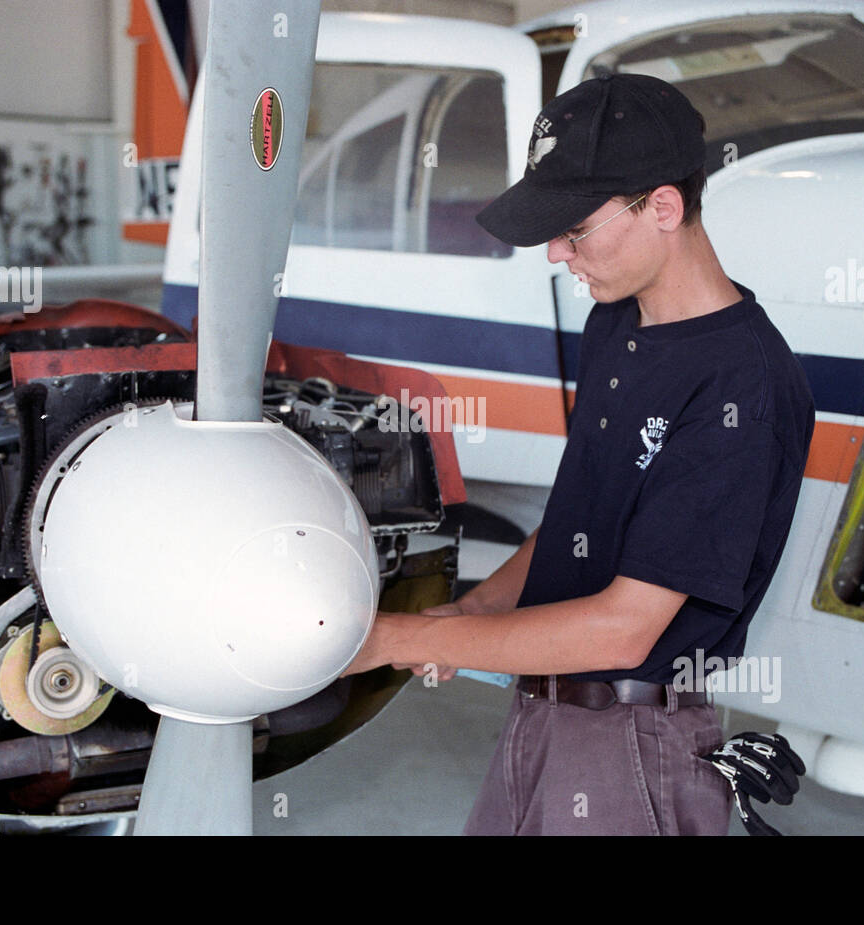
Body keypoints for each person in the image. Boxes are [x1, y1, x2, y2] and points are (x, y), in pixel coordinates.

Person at [343, 72, 815, 835]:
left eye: (576, 228)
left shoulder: (743, 387)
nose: (558, 252)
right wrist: (473, 612)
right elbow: (576, 524)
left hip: (631, 746)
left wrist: (397, 635)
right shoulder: (614, 326)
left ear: (663, 206)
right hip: (541, 714)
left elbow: (624, 627)